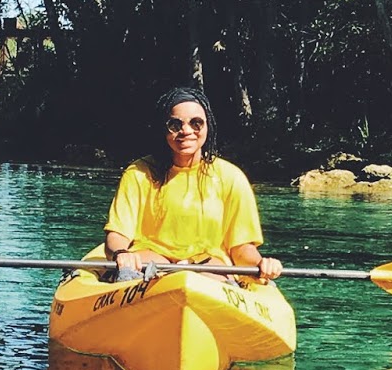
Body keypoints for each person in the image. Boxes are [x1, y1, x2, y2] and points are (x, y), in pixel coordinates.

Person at [100, 85, 284, 284]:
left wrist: (261, 263)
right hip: (150, 260)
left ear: (208, 127)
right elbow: (117, 233)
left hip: (208, 265)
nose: (186, 131)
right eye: (175, 124)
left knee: (211, 274)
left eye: (196, 123)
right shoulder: (138, 173)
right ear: (164, 129)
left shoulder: (231, 177)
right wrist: (121, 253)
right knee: (133, 271)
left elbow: (241, 248)